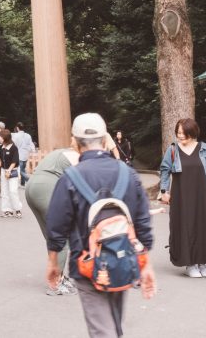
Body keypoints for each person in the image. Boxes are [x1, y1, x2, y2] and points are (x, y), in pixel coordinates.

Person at [45, 113, 156, 337]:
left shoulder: (70, 178)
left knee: (102, 331)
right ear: (106, 140)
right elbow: (143, 224)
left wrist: (53, 263)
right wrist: (147, 266)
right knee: (114, 324)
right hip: (124, 260)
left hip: (87, 263)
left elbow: (56, 227)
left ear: (74, 143)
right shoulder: (128, 174)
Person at [158, 117, 206, 278]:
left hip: (203, 193)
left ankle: (203, 262)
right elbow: (165, 170)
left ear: (192, 133)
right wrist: (164, 190)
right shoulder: (173, 150)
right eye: (178, 132)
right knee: (185, 226)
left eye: (183, 133)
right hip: (181, 195)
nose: (180, 136)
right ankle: (190, 263)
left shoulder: (204, 148)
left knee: (204, 226)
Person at [25, 143, 80, 295]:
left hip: (31, 187)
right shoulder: (78, 157)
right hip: (46, 188)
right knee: (62, 236)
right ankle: (56, 283)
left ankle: (59, 276)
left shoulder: (62, 153)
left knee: (52, 237)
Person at [0, 129, 22, 218]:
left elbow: (14, 161)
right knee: (4, 191)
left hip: (13, 170)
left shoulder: (13, 148)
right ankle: (7, 210)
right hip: (4, 170)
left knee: (13, 190)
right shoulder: (1, 147)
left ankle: (18, 209)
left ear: (5, 138)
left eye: (0, 136)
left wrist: (9, 171)